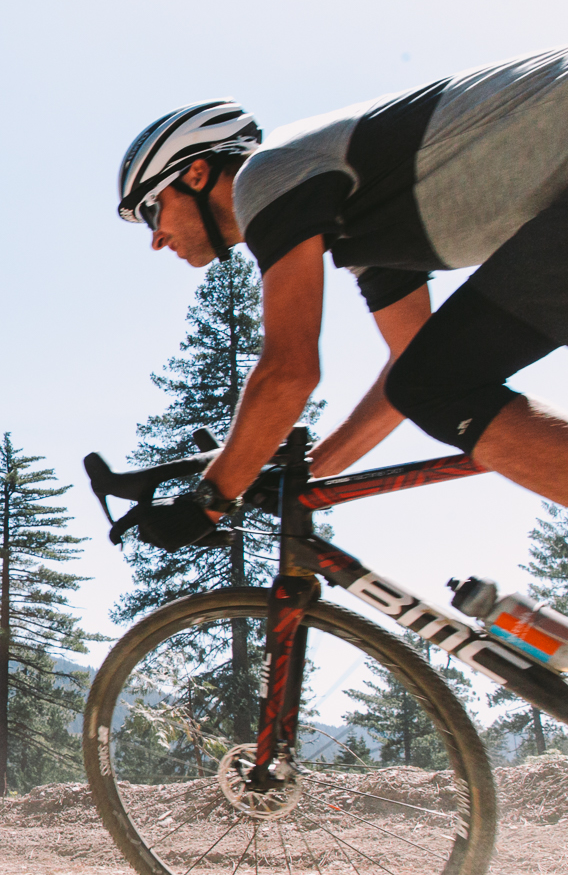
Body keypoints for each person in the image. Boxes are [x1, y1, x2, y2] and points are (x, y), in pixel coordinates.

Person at [115, 49, 568, 549]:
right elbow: (408, 365)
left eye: (153, 211)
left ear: (196, 174)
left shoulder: (265, 175)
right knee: (429, 380)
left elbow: (290, 370)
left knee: (434, 385)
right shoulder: (360, 220)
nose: (156, 239)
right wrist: (303, 470)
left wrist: (212, 498)